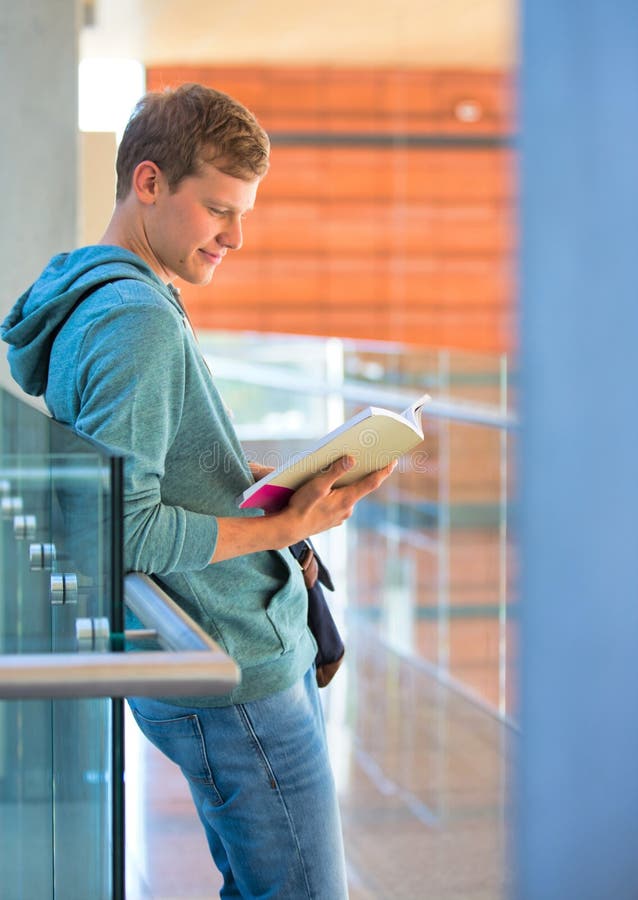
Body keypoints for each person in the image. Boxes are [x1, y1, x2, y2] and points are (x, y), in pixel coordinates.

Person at [1, 83, 395, 898]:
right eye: (219, 209)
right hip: (229, 669)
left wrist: (230, 476)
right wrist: (288, 524)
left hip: (233, 649)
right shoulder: (132, 318)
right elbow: (121, 529)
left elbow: (131, 470)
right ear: (148, 184)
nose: (236, 237)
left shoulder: (114, 297)